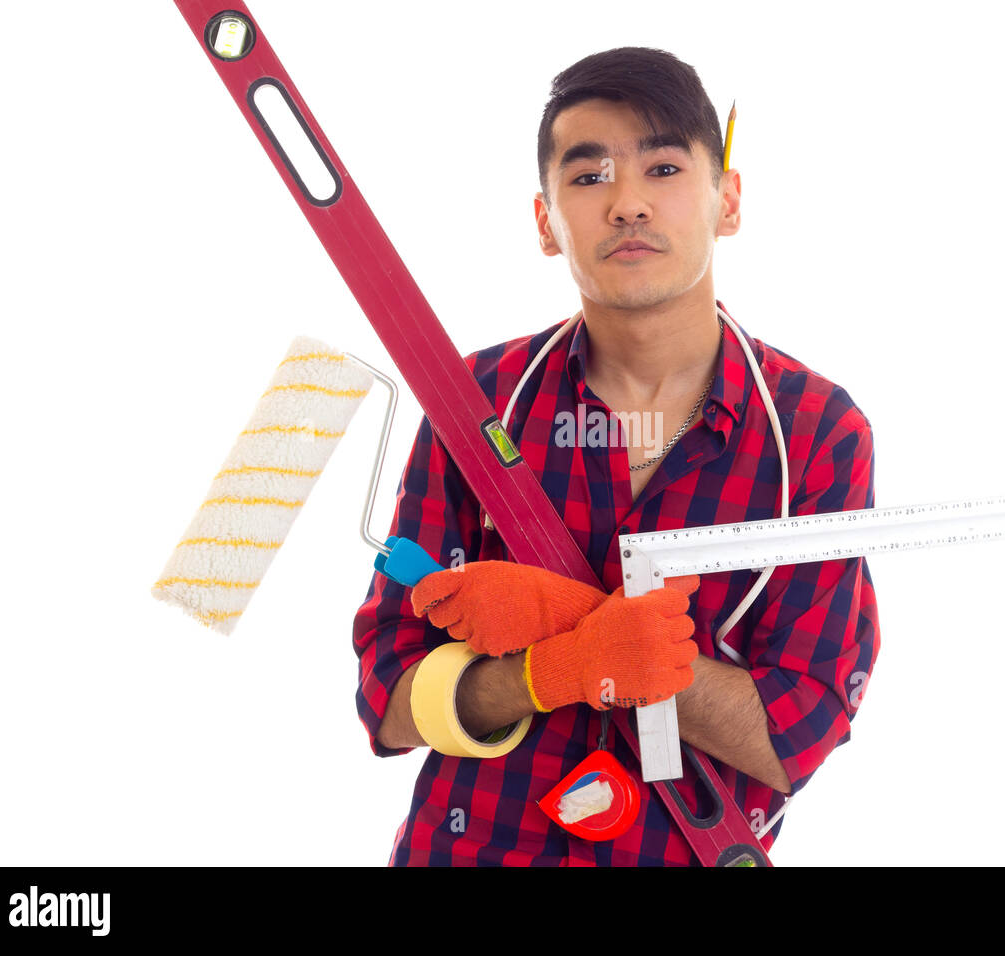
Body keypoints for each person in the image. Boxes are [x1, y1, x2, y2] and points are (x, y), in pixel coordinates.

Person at [351, 46, 880, 866]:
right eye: (589, 176)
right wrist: (555, 669)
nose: (628, 203)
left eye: (663, 167)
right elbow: (387, 697)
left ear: (726, 200)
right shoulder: (472, 400)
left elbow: (796, 735)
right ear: (544, 221)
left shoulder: (816, 432)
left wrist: (603, 637)